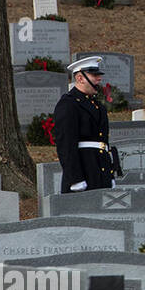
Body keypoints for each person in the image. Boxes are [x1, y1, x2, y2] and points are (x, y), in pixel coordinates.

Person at [54, 56, 118, 193]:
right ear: (80, 78)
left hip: (100, 172)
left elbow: (103, 143)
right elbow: (66, 145)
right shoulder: (69, 104)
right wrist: (75, 178)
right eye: (94, 75)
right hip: (83, 172)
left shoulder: (97, 106)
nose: (99, 79)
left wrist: (109, 174)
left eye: (98, 75)